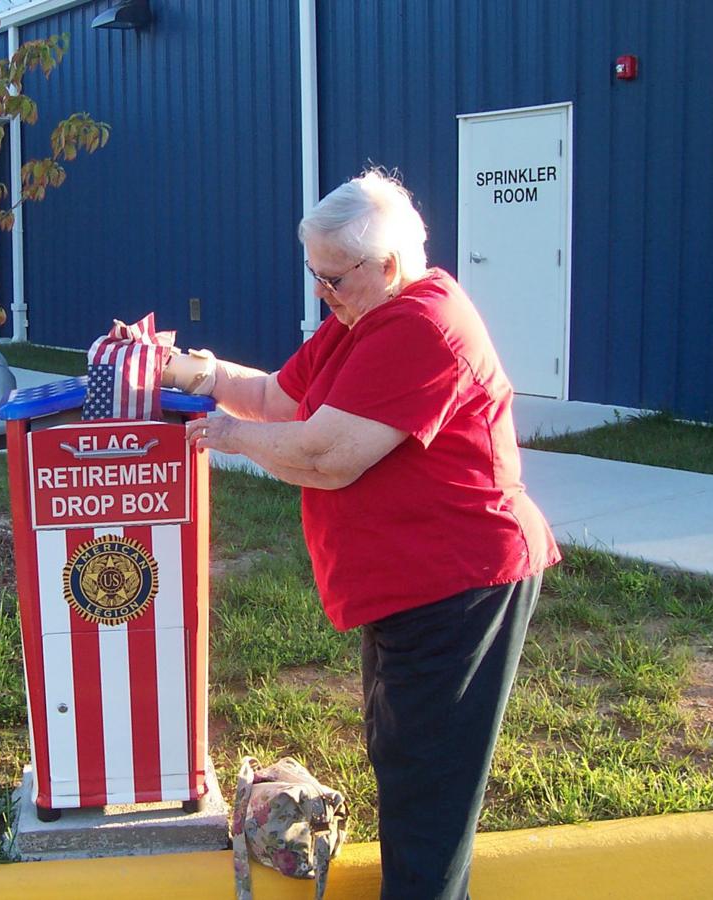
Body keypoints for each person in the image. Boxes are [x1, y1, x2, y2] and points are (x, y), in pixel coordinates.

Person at [168, 170, 561, 899]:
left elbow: (325, 455)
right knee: (405, 761)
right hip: (410, 590)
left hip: (459, 587)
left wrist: (223, 436)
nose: (322, 291)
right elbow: (279, 399)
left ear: (387, 265)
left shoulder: (423, 326)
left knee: (428, 792)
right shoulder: (360, 317)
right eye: (314, 274)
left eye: (333, 277)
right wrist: (203, 373)